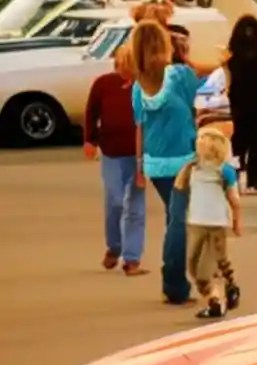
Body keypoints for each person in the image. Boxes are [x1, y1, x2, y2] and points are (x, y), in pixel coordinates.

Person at [131, 19, 205, 304]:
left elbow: (140, 128)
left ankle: (174, 281)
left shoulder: (138, 88)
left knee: (174, 216)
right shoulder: (180, 76)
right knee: (179, 221)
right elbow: (200, 92)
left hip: (155, 164)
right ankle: (173, 283)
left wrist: (139, 167)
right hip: (183, 160)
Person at [85, 44, 148, 276]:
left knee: (136, 207)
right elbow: (91, 112)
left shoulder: (145, 85)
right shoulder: (104, 84)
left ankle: (132, 259)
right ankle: (114, 246)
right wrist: (89, 140)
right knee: (115, 201)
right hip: (111, 151)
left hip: (140, 153)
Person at [175, 127, 243, 319]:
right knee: (192, 264)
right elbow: (180, 186)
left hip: (216, 225)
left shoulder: (224, 172)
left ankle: (218, 296)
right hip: (196, 222)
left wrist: (237, 221)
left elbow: (234, 200)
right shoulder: (192, 168)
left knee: (209, 267)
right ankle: (218, 293)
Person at [224, 15, 257, 194]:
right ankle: (255, 182)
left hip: (239, 101)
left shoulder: (231, 55)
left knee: (239, 141)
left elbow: (228, 82)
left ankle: (236, 180)